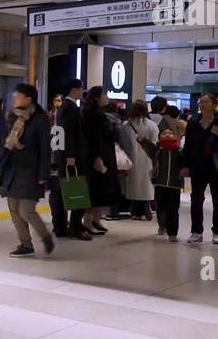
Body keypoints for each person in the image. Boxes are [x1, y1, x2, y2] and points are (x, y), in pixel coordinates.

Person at [0, 84, 52, 258]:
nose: (15, 98)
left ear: (29, 99)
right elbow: (5, 142)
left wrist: (43, 173)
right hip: (14, 168)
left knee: (26, 209)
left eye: (19, 95)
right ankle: (25, 244)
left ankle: (45, 236)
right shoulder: (12, 117)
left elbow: (45, 148)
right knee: (14, 208)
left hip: (31, 169)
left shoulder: (40, 119)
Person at [182, 93, 218, 244]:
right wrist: (185, 165)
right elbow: (188, 144)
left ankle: (217, 231)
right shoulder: (193, 121)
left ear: (214, 104)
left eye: (205, 102)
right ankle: (196, 231)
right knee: (196, 198)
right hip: (198, 165)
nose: (202, 104)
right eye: (201, 102)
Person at [48, 79, 91, 240]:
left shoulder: (66, 107)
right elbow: (67, 133)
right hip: (71, 158)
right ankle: (74, 226)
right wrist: (70, 155)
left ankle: (64, 227)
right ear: (74, 89)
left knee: (66, 191)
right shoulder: (69, 108)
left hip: (66, 156)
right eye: (81, 89)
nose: (82, 92)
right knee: (75, 190)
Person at [81, 86, 120, 235]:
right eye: (104, 94)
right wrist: (97, 157)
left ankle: (96, 220)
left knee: (102, 189)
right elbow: (94, 138)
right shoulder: (92, 114)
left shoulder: (99, 113)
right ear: (97, 97)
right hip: (97, 157)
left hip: (104, 155)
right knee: (95, 189)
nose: (107, 97)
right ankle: (88, 222)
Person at [124, 100, 159, 221]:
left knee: (133, 184)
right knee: (146, 184)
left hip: (130, 158)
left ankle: (136, 210)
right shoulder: (152, 125)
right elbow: (154, 143)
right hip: (147, 157)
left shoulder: (126, 125)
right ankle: (146, 205)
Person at [153, 128, 183, 242]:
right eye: (164, 133)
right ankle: (162, 226)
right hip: (160, 183)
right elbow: (147, 146)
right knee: (160, 208)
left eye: (170, 133)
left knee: (173, 210)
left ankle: (173, 233)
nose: (167, 135)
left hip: (175, 185)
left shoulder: (179, 150)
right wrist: (142, 140)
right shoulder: (157, 150)